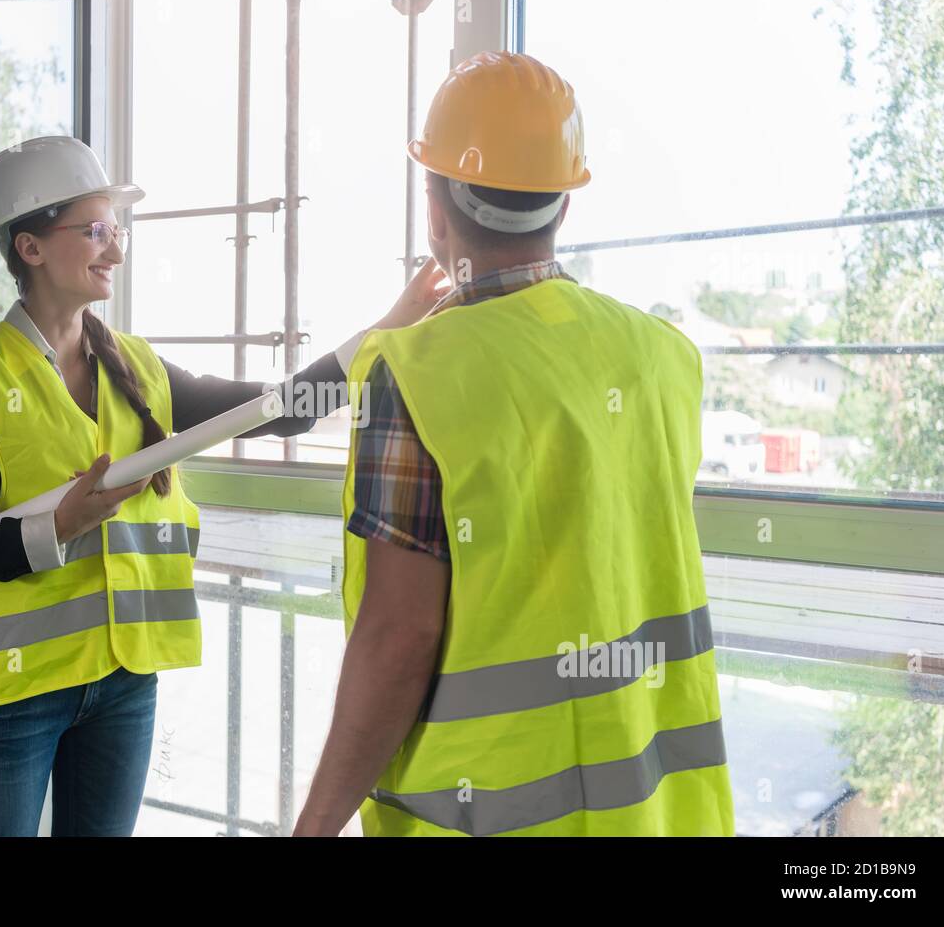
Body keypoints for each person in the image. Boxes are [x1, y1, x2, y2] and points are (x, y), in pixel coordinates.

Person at [0, 135, 447, 836]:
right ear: (30, 248)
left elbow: (275, 411)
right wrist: (53, 530)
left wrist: (384, 333)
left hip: (123, 686)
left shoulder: (140, 368)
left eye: (114, 232)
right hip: (10, 695)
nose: (114, 251)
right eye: (93, 232)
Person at [294, 52, 736, 836]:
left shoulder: (414, 374)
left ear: (435, 207)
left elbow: (399, 637)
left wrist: (315, 823)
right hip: (661, 813)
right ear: (564, 206)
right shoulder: (666, 356)